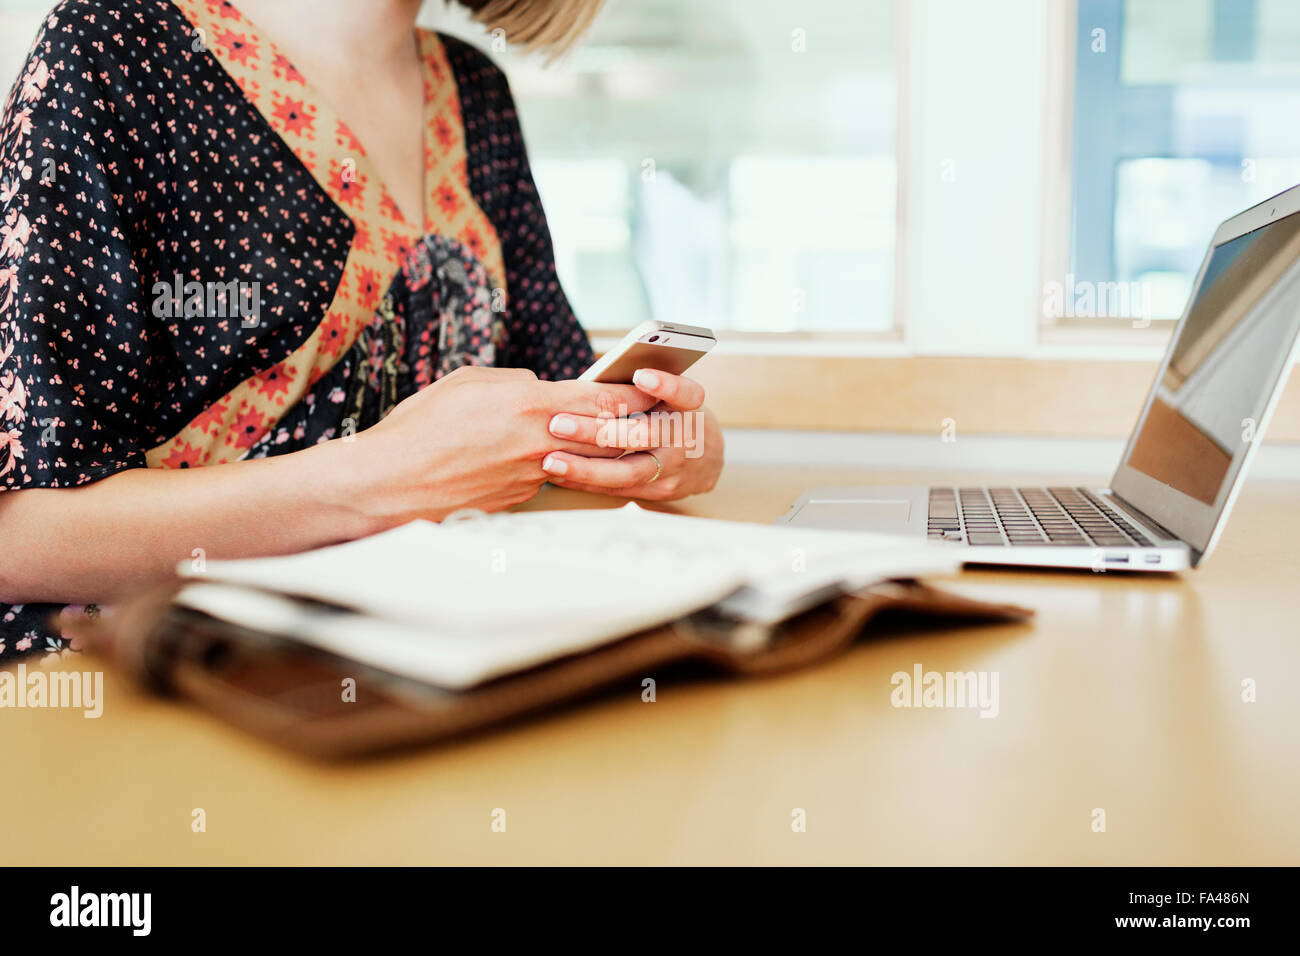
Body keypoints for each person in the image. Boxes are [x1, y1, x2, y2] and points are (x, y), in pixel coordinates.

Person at [0, 0, 724, 660]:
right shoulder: (111, 50)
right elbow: (17, 541)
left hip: (427, 663)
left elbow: (555, 423)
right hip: (146, 682)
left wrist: (654, 448)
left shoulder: (474, 91)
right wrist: (378, 481)